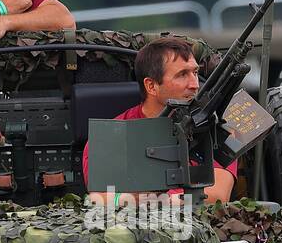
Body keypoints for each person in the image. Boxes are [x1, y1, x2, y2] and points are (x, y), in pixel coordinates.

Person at [82, 37, 238, 206]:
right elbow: (99, 199)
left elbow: (217, 197)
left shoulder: (212, 128)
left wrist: (148, 200)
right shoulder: (110, 138)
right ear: (151, 86)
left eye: (195, 73)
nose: (194, 84)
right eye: (182, 75)